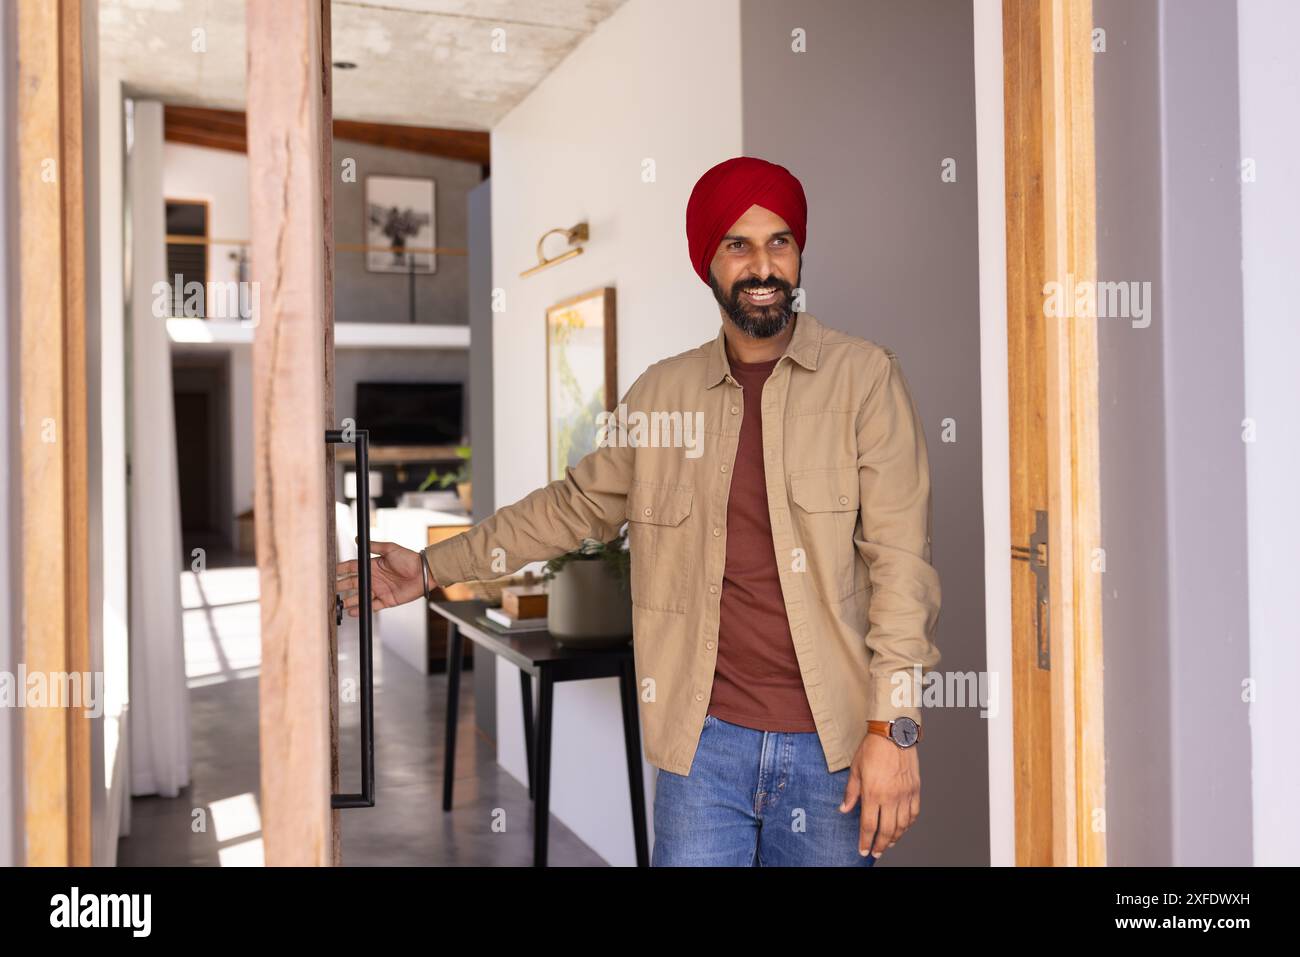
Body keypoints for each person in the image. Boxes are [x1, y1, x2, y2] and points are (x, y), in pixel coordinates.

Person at [335, 156, 942, 867]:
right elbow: (572, 507)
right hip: (702, 749)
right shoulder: (661, 396)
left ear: (799, 251)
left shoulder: (866, 378)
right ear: (707, 262)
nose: (762, 264)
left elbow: (903, 567)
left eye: (779, 241)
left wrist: (893, 727)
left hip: (834, 749)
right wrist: (434, 567)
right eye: (737, 245)